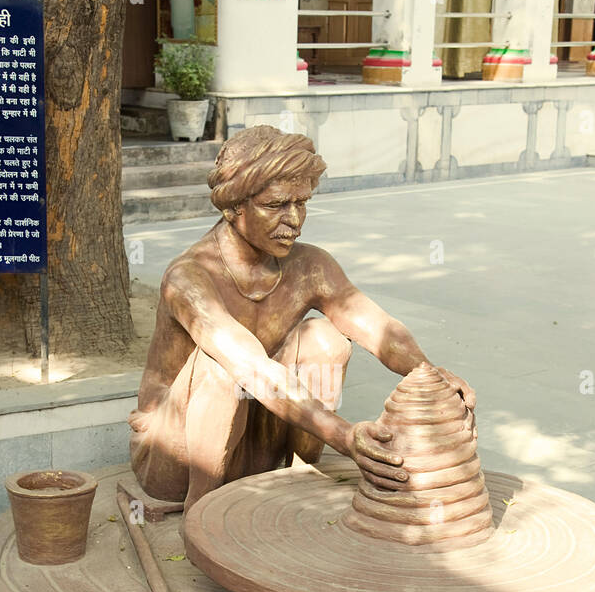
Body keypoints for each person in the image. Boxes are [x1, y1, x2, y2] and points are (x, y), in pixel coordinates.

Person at [129, 125, 476, 510]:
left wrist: (429, 373)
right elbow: (249, 368)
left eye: (301, 202)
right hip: (176, 451)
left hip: (257, 431)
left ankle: (298, 476)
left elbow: (375, 326)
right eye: (276, 205)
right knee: (222, 368)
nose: (294, 219)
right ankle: (203, 511)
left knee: (326, 339)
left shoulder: (309, 265)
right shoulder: (189, 277)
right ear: (233, 206)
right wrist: (343, 436)